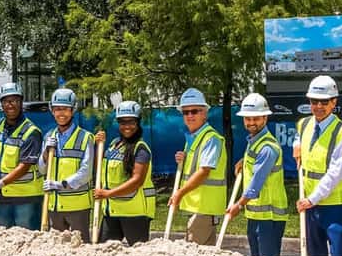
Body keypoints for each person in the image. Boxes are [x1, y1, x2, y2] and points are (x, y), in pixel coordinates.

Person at [292, 75, 342, 256]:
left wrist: (312, 199)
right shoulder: (304, 124)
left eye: (324, 102)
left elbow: (336, 173)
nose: (319, 106)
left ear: (333, 102)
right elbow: (299, 134)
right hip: (310, 204)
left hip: (334, 206)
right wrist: (296, 145)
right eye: (314, 101)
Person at [227, 93, 286, 256]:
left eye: (256, 118)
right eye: (248, 119)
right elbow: (255, 164)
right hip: (256, 216)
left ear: (265, 118)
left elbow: (255, 184)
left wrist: (238, 206)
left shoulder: (267, 147)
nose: (251, 123)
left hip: (269, 218)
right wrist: (243, 161)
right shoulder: (255, 142)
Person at [170, 88, 227, 245]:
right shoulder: (194, 138)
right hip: (197, 207)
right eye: (185, 112)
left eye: (194, 111)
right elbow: (195, 167)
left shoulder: (211, 138)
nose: (189, 115)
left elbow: (204, 172)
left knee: (194, 255)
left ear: (204, 113)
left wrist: (180, 193)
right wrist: (184, 158)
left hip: (204, 208)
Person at [94, 101, 155, 245]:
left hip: (134, 213)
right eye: (122, 122)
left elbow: (137, 180)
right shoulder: (114, 145)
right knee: (104, 253)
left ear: (138, 122)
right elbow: (99, 170)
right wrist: (98, 147)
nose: (127, 126)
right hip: (112, 211)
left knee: (139, 255)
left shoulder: (140, 148)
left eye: (131, 122)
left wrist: (108, 194)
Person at [0, 82, 43, 229]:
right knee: (5, 241)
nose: (10, 105)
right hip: (3, 198)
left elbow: (25, 166)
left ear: (21, 102)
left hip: (26, 199)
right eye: (6, 101)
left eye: (14, 100)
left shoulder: (31, 132)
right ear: (1, 104)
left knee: (27, 242)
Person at [42, 87, 94, 236]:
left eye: (65, 109)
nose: (61, 113)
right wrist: (46, 152)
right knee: (56, 249)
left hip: (77, 207)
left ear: (73, 110)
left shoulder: (86, 137)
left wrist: (60, 185)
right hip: (54, 206)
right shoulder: (49, 137)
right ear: (52, 111)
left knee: (80, 248)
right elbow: (42, 169)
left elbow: (86, 172)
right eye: (57, 109)